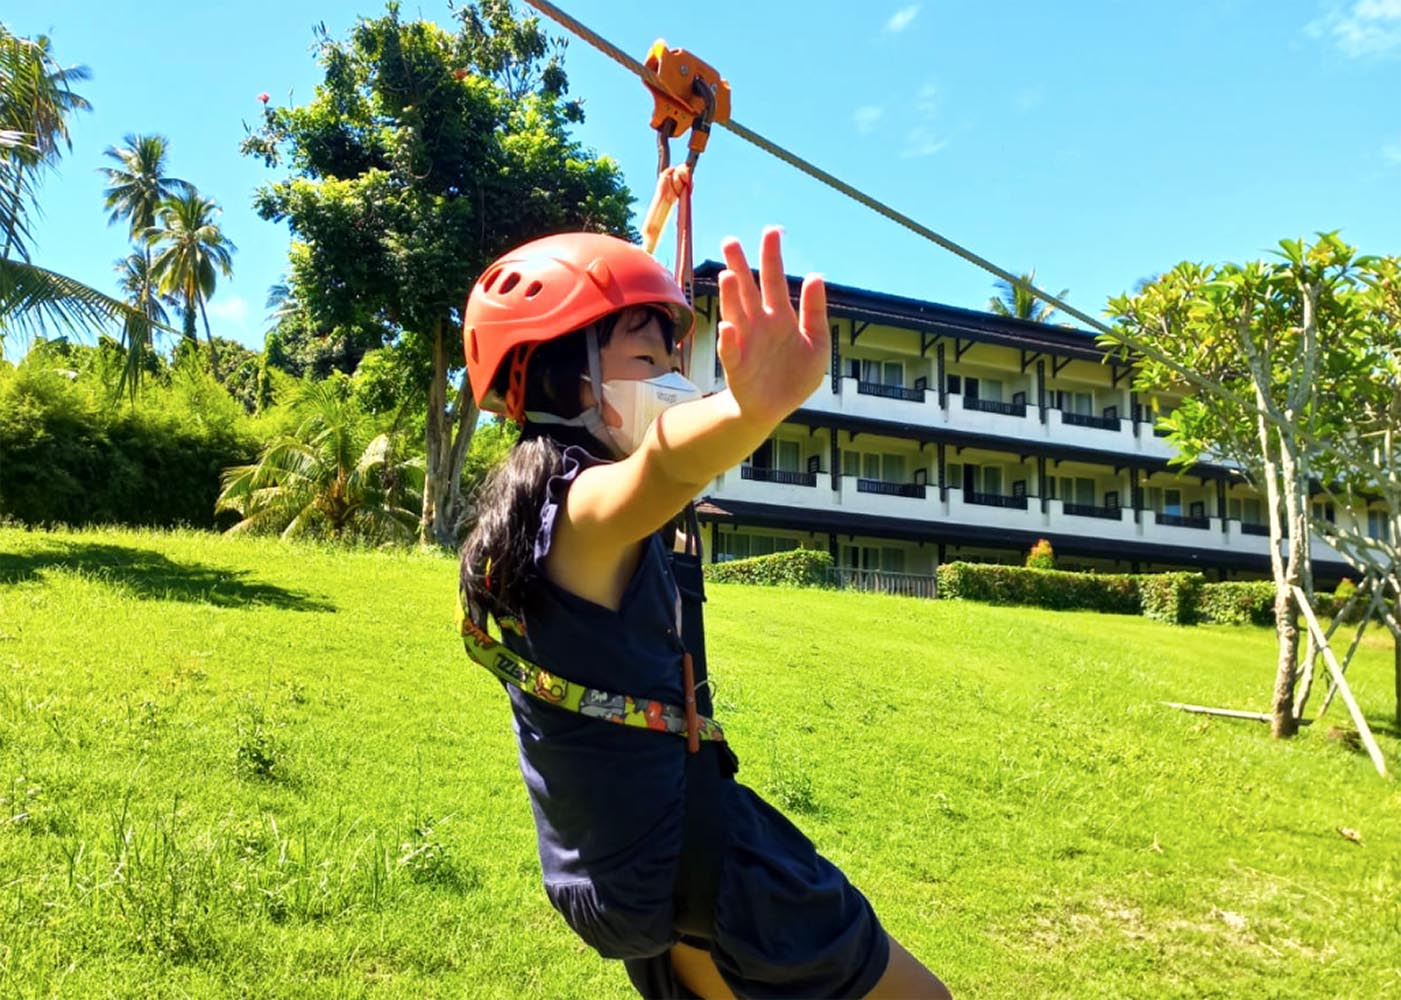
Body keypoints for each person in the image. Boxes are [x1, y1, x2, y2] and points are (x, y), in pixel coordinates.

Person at [457, 227, 951, 999]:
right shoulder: (582, 510)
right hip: (703, 861)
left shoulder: (528, 521)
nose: (673, 382)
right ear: (564, 378)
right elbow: (666, 462)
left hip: (629, 871)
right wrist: (749, 408)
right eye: (648, 361)